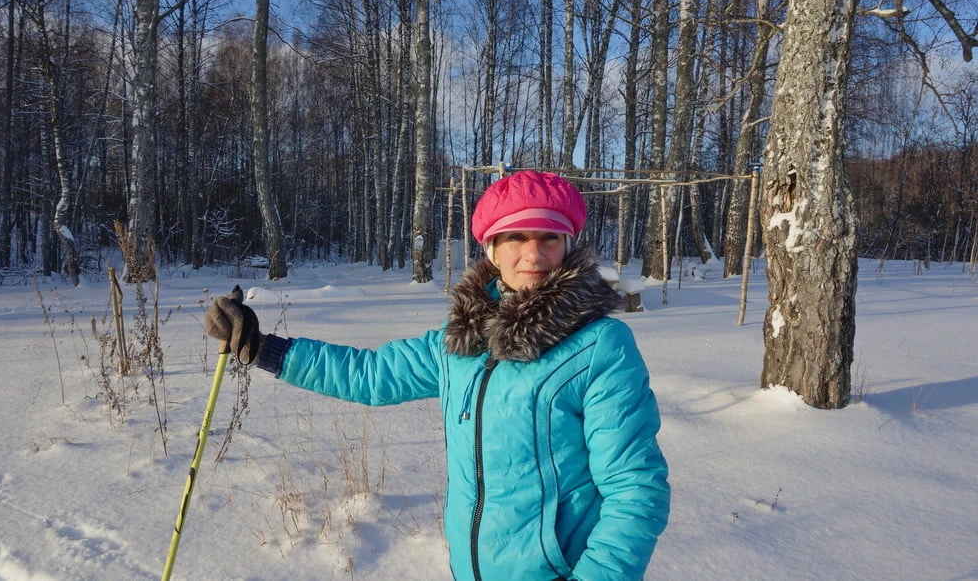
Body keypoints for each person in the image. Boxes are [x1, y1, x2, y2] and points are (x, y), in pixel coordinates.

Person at [204, 170, 670, 580]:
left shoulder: (598, 345)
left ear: (567, 244)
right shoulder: (462, 340)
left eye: (549, 237)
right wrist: (263, 349)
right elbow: (370, 376)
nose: (534, 252)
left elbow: (635, 488)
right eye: (516, 237)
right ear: (491, 248)